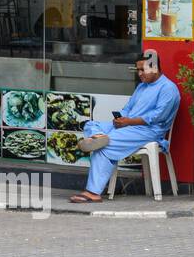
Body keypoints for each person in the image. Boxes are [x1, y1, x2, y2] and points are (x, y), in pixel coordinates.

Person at [69, 49, 181, 204]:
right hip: (127, 127)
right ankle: (99, 136)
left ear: (154, 67)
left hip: (148, 131)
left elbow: (157, 117)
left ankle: (93, 192)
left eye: (143, 70)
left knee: (104, 147)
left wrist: (129, 122)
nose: (140, 74)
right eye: (138, 70)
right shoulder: (142, 87)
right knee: (91, 124)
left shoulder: (168, 88)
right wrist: (120, 118)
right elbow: (128, 108)